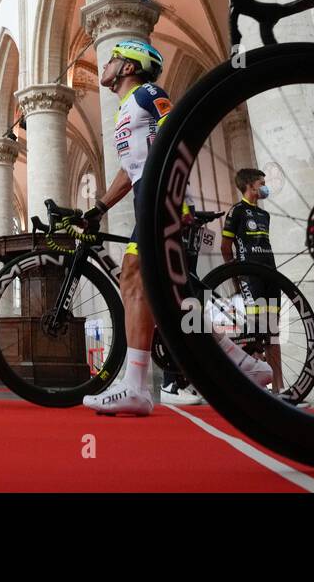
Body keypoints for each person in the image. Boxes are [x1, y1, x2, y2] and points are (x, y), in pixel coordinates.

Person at [79, 40, 273, 415]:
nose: (107, 62)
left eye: (115, 57)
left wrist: (178, 199)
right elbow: (130, 170)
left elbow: (176, 138)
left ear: (130, 66)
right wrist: (99, 208)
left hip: (162, 198)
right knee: (171, 296)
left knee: (135, 276)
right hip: (146, 197)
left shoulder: (150, 93)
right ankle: (244, 364)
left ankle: (135, 385)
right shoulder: (124, 111)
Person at [221, 169, 286, 398]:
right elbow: (225, 247)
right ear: (251, 185)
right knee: (256, 329)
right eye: (262, 182)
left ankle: (279, 389)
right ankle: (255, 386)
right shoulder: (237, 212)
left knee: (273, 331)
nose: (265, 186)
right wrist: (236, 275)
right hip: (250, 275)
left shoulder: (264, 215)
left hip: (270, 273)